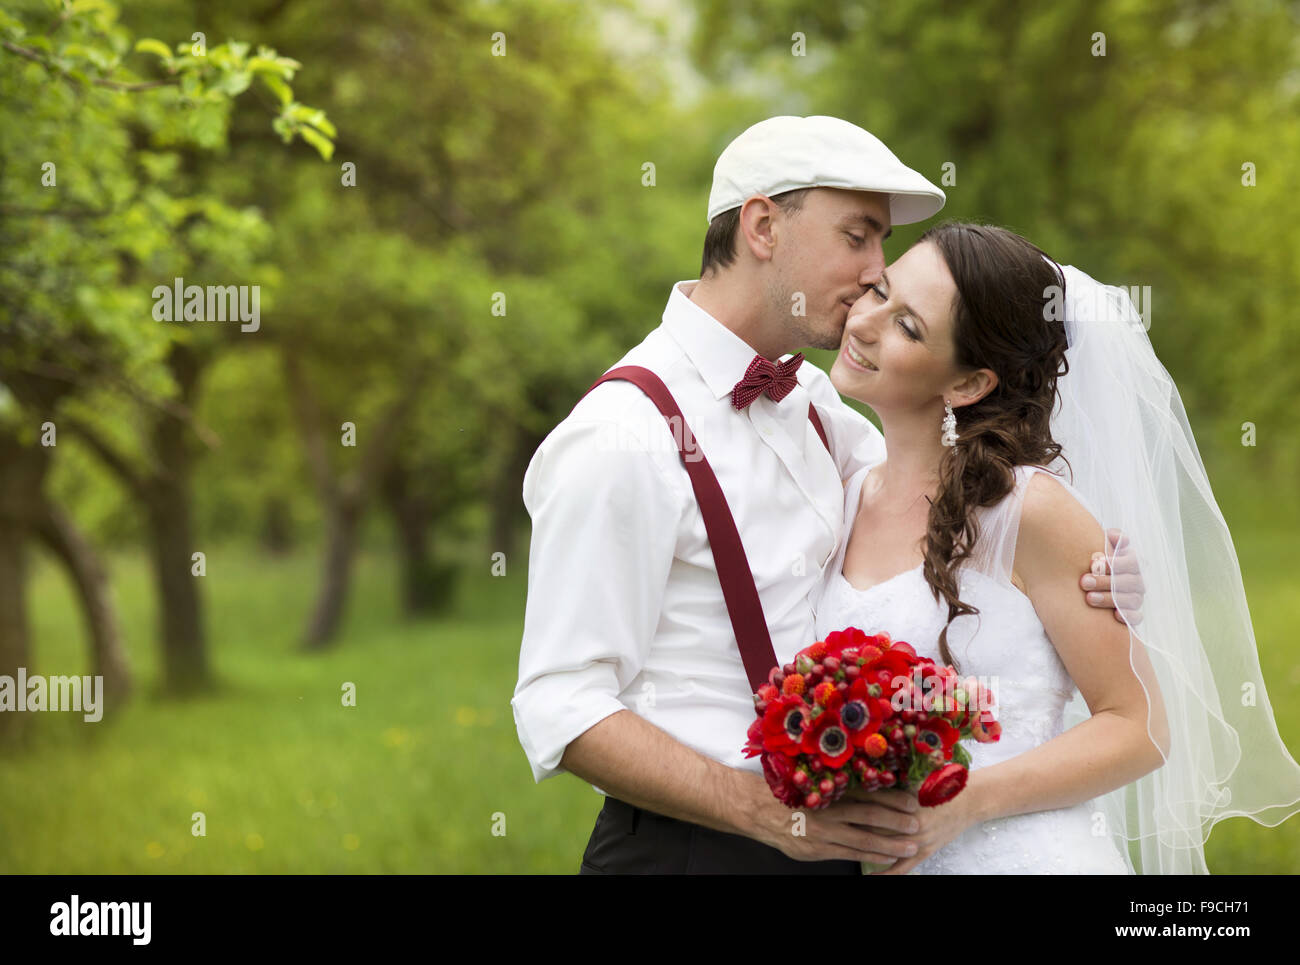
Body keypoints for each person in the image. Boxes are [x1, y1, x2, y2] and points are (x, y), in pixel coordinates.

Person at [511, 116, 1139, 875]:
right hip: (689, 853)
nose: (876, 271)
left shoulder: (816, 405)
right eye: (858, 236)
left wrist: (1111, 576)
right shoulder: (619, 434)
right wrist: (763, 815)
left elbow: (952, 505)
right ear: (764, 225)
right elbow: (562, 701)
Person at [816, 221, 1300, 874]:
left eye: (908, 326)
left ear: (967, 384)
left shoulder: (1029, 510)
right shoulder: (837, 492)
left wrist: (964, 801)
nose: (866, 323)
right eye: (877, 290)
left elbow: (1140, 725)